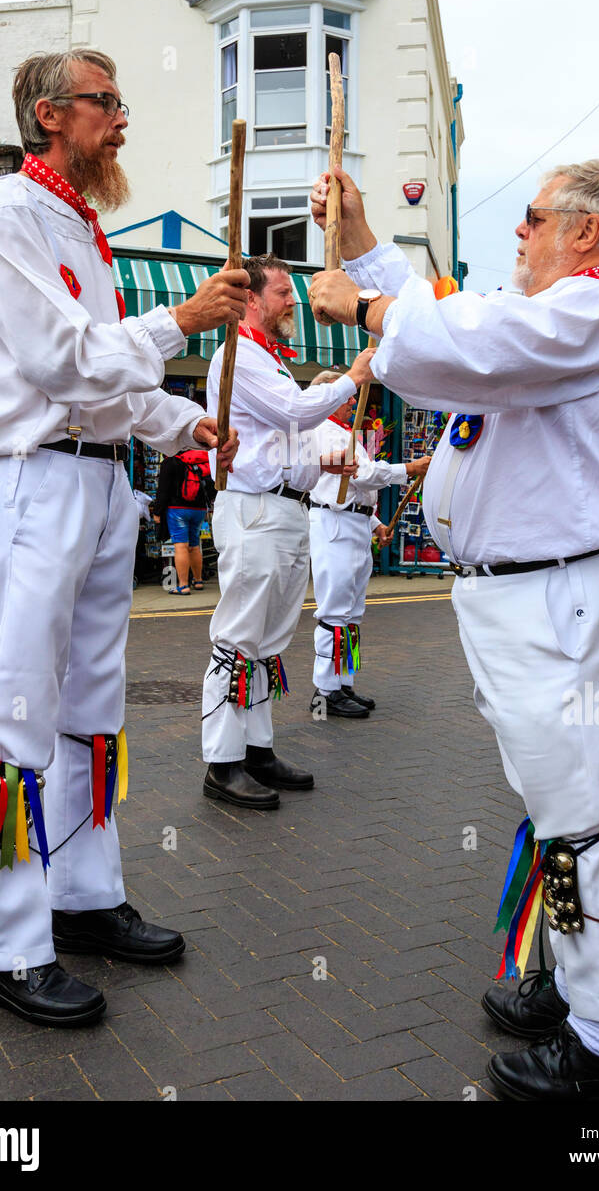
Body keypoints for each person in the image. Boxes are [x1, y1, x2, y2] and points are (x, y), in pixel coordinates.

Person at [308, 158, 599, 1102]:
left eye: (533, 218)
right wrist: (360, 238)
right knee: (560, 803)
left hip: (564, 599)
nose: (519, 234)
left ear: (587, 234)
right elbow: (452, 318)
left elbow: (463, 335)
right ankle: (571, 981)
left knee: (582, 819)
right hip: (536, 599)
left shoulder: (597, 312)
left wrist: (359, 305)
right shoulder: (556, 322)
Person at [0, 49, 248, 1028]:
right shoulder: (7, 216)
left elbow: (108, 387)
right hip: (37, 486)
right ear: (50, 114)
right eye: (104, 102)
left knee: (90, 707)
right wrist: (185, 317)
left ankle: (82, 898)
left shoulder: (81, 225)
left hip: (96, 484)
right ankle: (5, 947)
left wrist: (182, 425)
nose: (121, 119)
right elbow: (61, 360)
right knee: (16, 714)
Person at [201, 253, 370, 809]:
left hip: (286, 509)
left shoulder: (265, 359)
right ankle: (222, 764)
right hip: (254, 511)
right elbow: (293, 414)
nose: (292, 300)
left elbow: (283, 438)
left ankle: (257, 749)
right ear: (250, 299)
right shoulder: (236, 356)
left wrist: (323, 463)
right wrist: (352, 378)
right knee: (239, 637)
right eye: (281, 292)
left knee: (269, 641)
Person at [306, 376, 431, 718]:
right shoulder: (324, 431)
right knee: (334, 611)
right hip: (335, 524)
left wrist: (376, 525)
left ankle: (343, 682)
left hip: (354, 523)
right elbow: (361, 476)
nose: (352, 403)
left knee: (351, 613)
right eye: (347, 398)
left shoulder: (346, 434)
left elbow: (358, 492)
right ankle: (325, 691)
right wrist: (409, 468)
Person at [152, 448, 213, 593]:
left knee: (180, 546)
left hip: (177, 509)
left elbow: (163, 490)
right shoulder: (199, 461)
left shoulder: (170, 462)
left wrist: (157, 511)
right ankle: (198, 581)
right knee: (194, 545)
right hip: (199, 510)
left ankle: (183, 585)